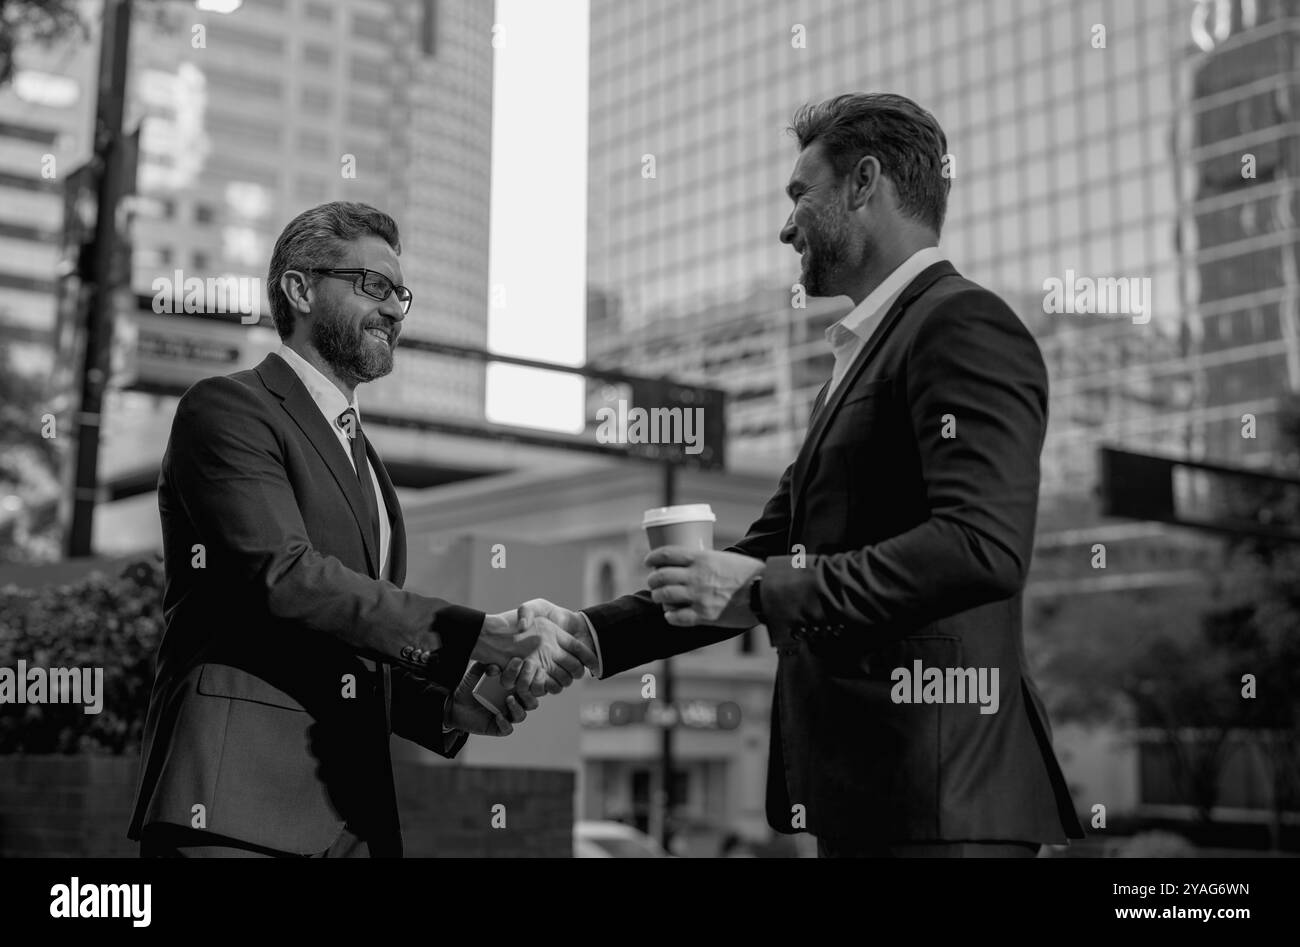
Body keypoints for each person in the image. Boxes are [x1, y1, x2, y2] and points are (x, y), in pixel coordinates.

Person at [520, 93, 1085, 858]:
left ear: (864, 183)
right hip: (866, 802)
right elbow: (761, 550)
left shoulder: (963, 325)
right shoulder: (852, 368)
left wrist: (760, 591)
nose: (786, 226)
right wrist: (588, 633)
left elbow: (980, 544)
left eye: (799, 194)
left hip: (943, 808)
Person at [128, 202, 597, 858]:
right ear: (299, 289)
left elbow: (347, 642)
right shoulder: (226, 408)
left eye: (400, 292)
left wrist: (446, 704)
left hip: (354, 819)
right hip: (236, 806)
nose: (395, 310)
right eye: (372, 285)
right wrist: (477, 631)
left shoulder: (366, 459)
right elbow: (284, 579)